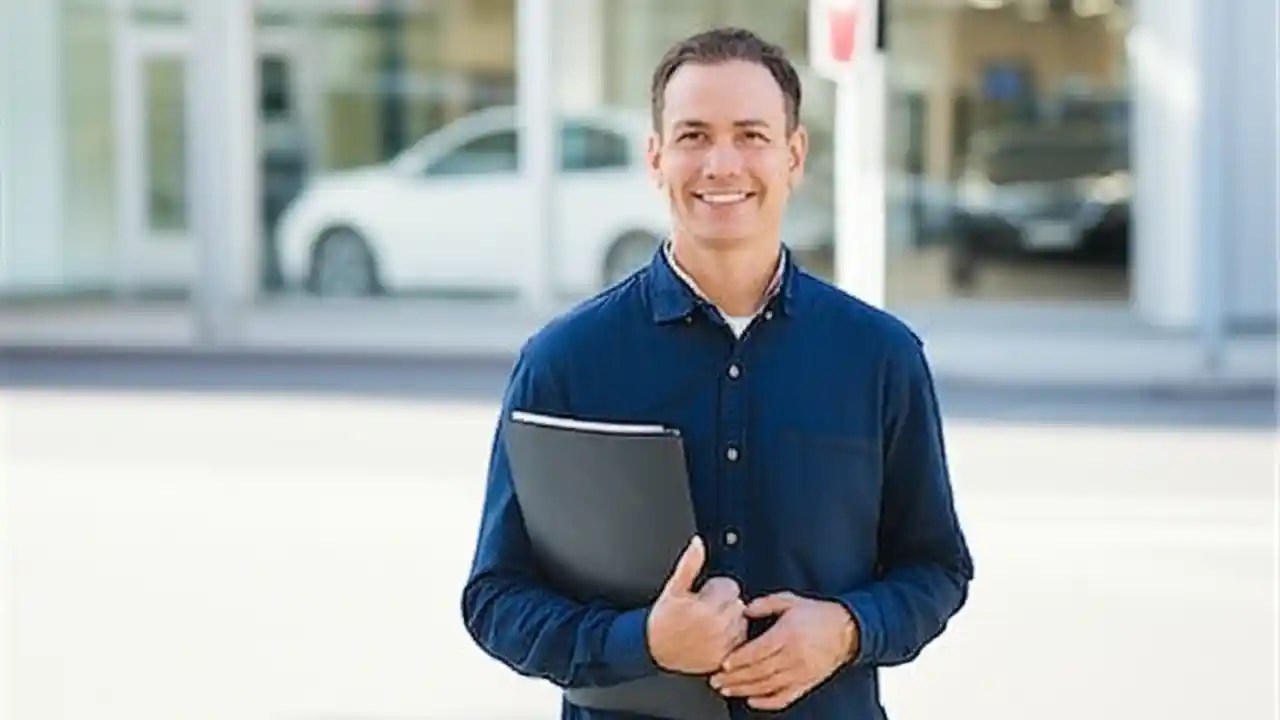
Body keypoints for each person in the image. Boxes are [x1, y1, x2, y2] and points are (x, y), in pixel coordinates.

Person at [461, 27, 974, 719]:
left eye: (752, 135)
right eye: (694, 135)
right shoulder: (564, 363)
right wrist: (640, 640)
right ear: (656, 157)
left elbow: (935, 569)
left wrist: (847, 630)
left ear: (794, 156)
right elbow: (497, 600)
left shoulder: (880, 357)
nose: (721, 163)